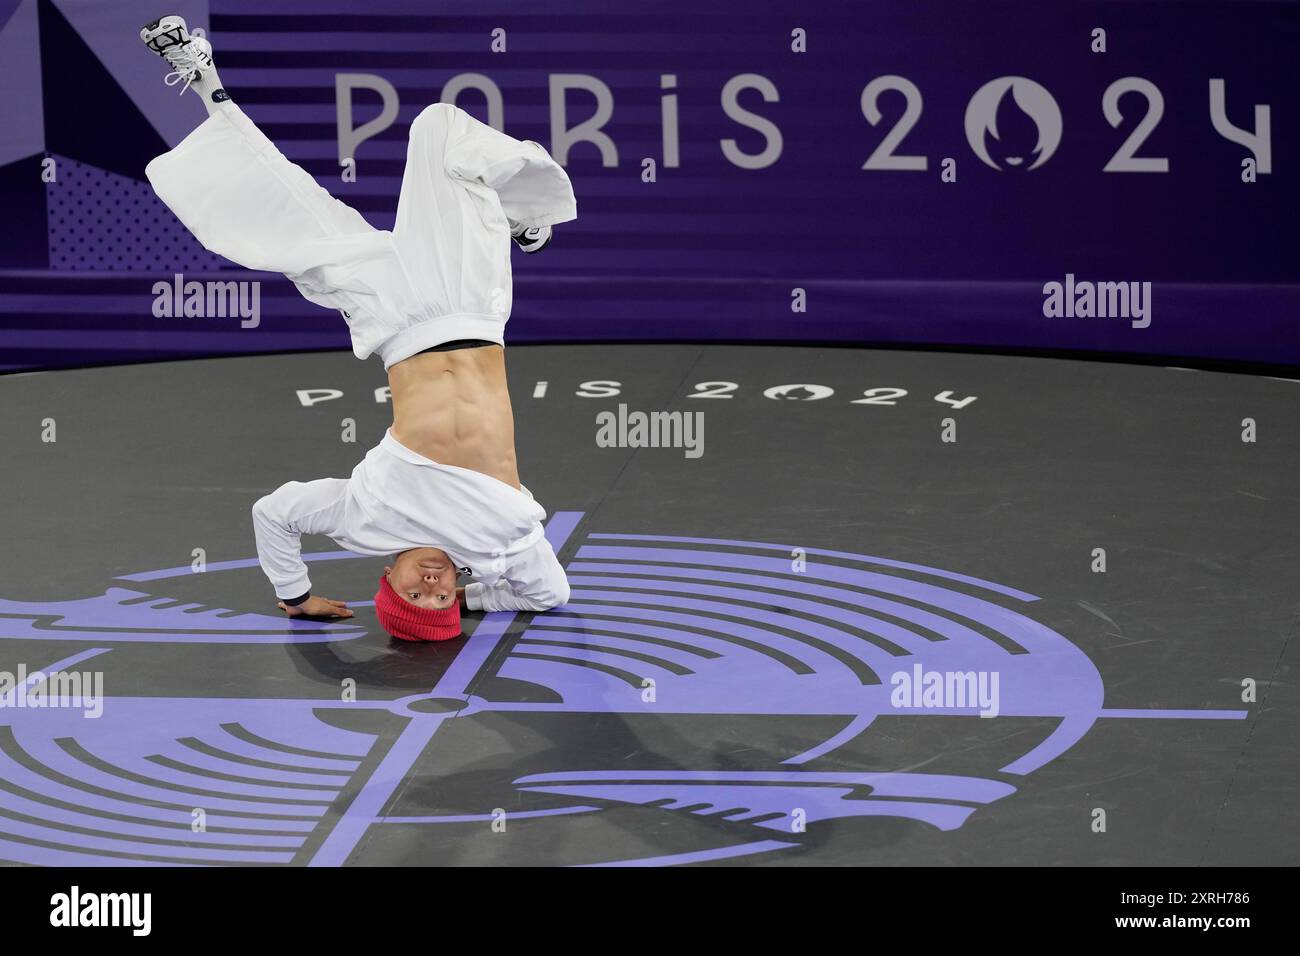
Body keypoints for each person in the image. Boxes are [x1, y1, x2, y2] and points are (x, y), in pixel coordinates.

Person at [139, 16, 576, 641]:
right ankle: (525, 216)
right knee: (438, 127)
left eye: (413, 595)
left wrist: (296, 597)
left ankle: (203, 77)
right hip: (469, 306)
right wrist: (482, 595)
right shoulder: (500, 549)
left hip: (394, 317)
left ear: (387, 581)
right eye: (441, 598)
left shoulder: (361, 520)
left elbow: (274, 513)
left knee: (290, 217)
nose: (431, 584)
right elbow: (550, 594)